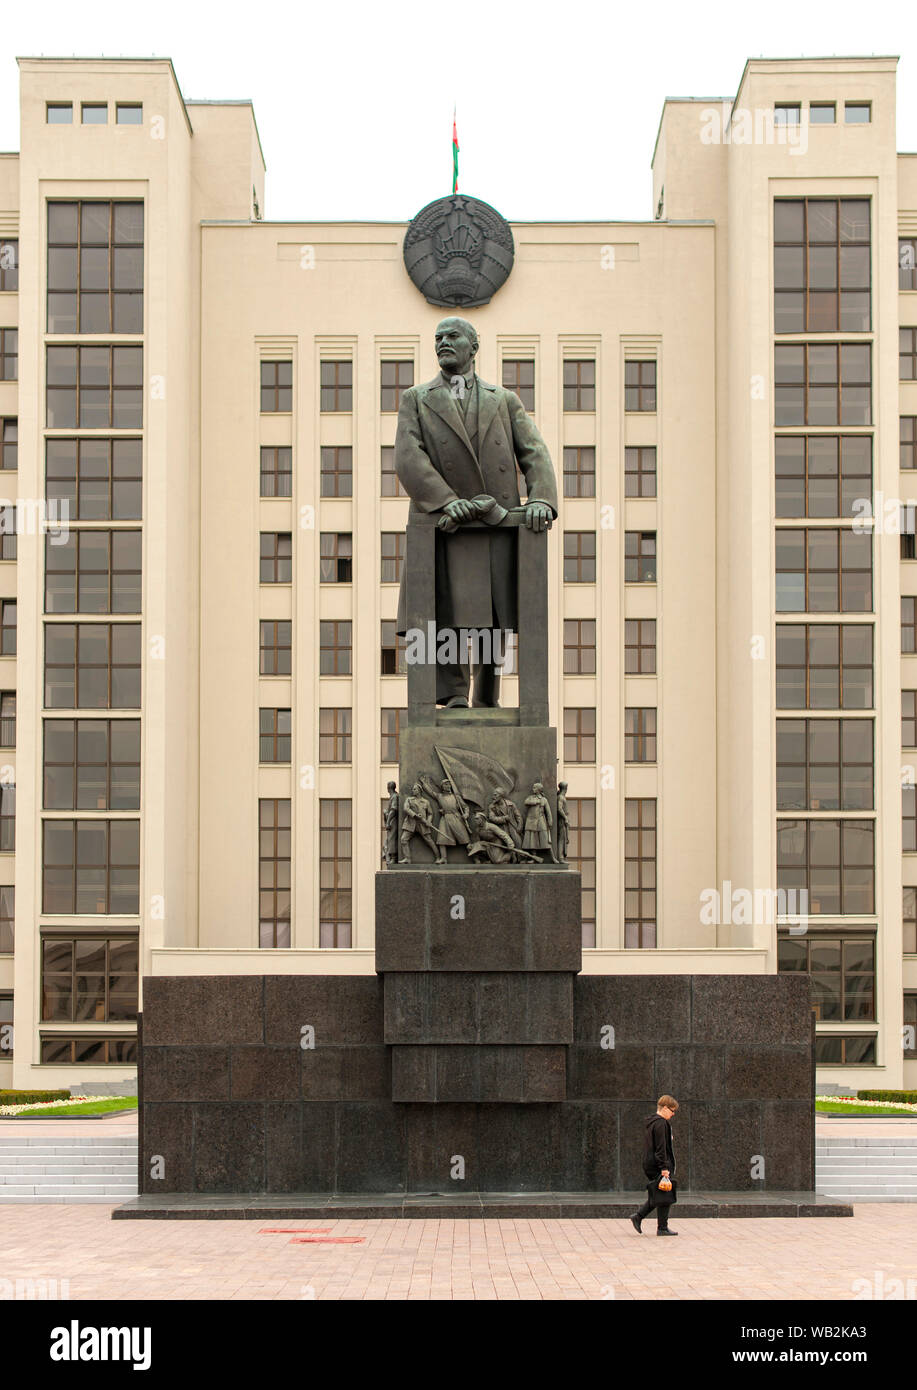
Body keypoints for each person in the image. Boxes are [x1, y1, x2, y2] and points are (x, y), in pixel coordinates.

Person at [394, 317, 558, 708]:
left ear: (474, 345)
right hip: (444, 525)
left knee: (493, 617)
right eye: (438, 338)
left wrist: (541, 499)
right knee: (443, 613)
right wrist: (447, 499)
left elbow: (534, 452)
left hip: (494, 524)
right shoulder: (416, 398)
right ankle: (452, 695)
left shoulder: (503, 400)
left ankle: (487, 696)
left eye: (452, 337)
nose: (443, 343)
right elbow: (408, 456)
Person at [630, 1096, 679, 1236]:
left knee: (661, 1193)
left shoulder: (652, 1122)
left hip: (650, 1163)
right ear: (664, 1108)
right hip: (658, 1165)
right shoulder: (661, 1123)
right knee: (664, 1193)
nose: (673, 1114)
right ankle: (660, 1227)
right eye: (672, 1110)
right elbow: (660, 1148)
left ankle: (641, 1219)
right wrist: (664, 1168)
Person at [399, 783, 443, 865]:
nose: (413, 790)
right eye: (413, 789)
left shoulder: (426, 802)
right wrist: (415, 815)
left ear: (419, 790)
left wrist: (429, 821)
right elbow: (406, 808)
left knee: (429, 841)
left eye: (415, 789)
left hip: (422, 824)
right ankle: (407, 859)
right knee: (403, 839)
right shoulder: (409, 799)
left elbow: (430, 813)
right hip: (411, 823)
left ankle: (438, 857)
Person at [522, 781, 558, 864]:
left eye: (535, 787)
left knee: (546, 839)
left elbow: (548, 811)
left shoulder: (544, 799)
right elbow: (526, 802)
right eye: (533, 787)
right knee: (532, 840)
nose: (533, 789)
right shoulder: (531, 797)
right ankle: (534, 858)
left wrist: (550, 822)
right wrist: (536, 802)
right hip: (531, 821)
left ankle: (553, 858)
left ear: (539, 789)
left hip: (541, 820)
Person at [383, 781, 399, 868]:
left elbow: (393, 810)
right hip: (391, 820)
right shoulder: (393, 796)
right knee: (388, 841)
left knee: (392, 839)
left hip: (393, 821)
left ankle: (393, 857)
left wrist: (388, 821)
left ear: (388, 788)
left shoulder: (395, 796)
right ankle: (389, 856)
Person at [556, 782, 570, 862]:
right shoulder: (561, 797)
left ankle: (561, 857)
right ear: (565, 788)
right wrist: (565, 818)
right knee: (561, 839)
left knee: (564, 839)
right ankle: (560, 858)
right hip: (562, 821)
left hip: (563, 820)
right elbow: (559, 808)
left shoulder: (561, 797)